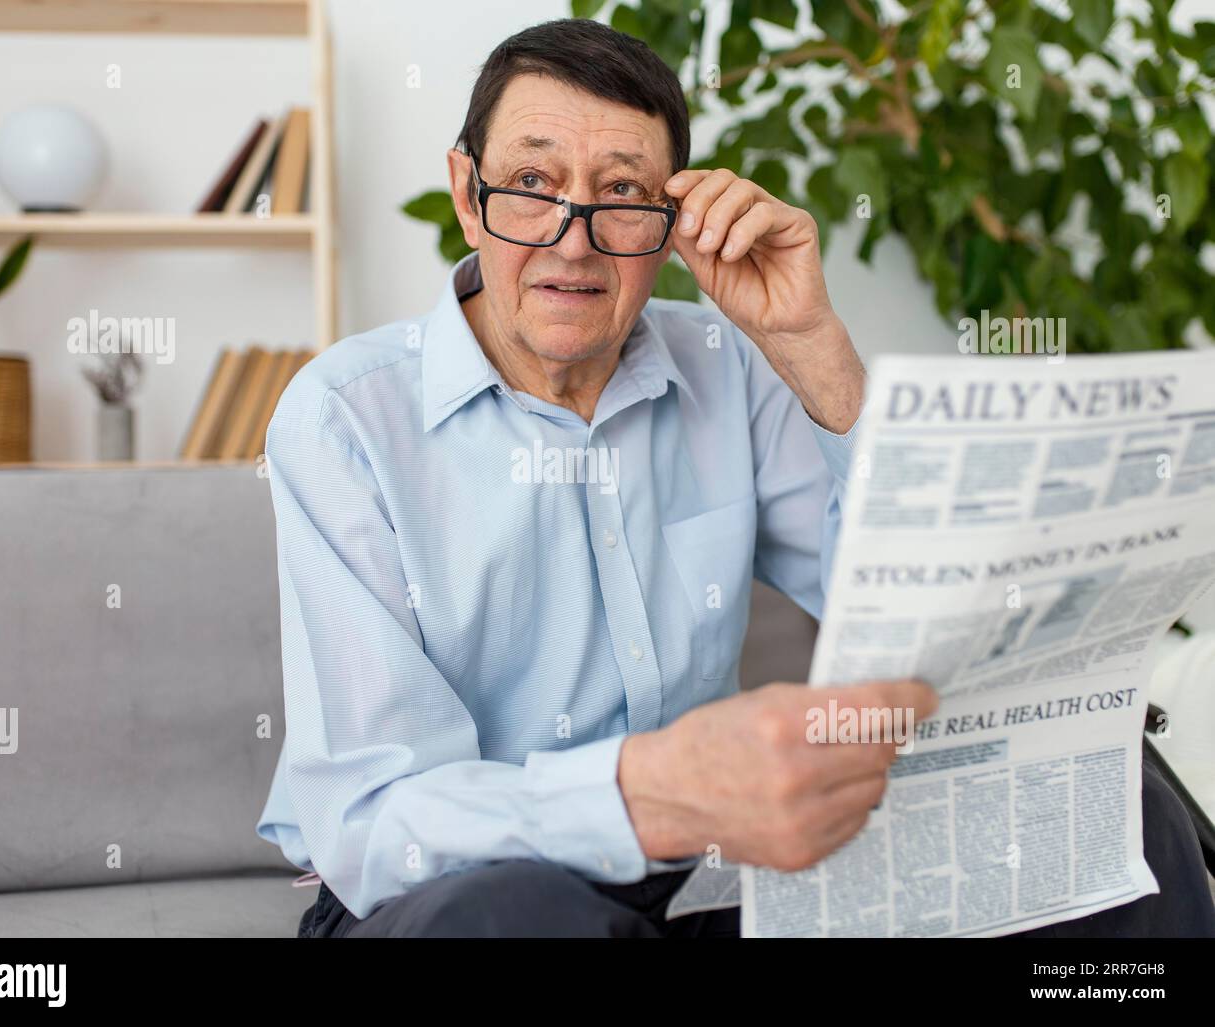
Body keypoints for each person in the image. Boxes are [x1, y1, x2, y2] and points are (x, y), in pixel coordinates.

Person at [256, 17, 1214, 938]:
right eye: (533, 183)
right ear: (467, 194)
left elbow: (929, 623)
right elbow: (379, 819)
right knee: (526, 917)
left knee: (1122, 816)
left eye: (623, 194)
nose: (574, 239)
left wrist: (812, 347)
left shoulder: (729, 363)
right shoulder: (344, 417)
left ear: (673, 220)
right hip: (461, 893)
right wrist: (650, 794)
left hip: (713, 876)